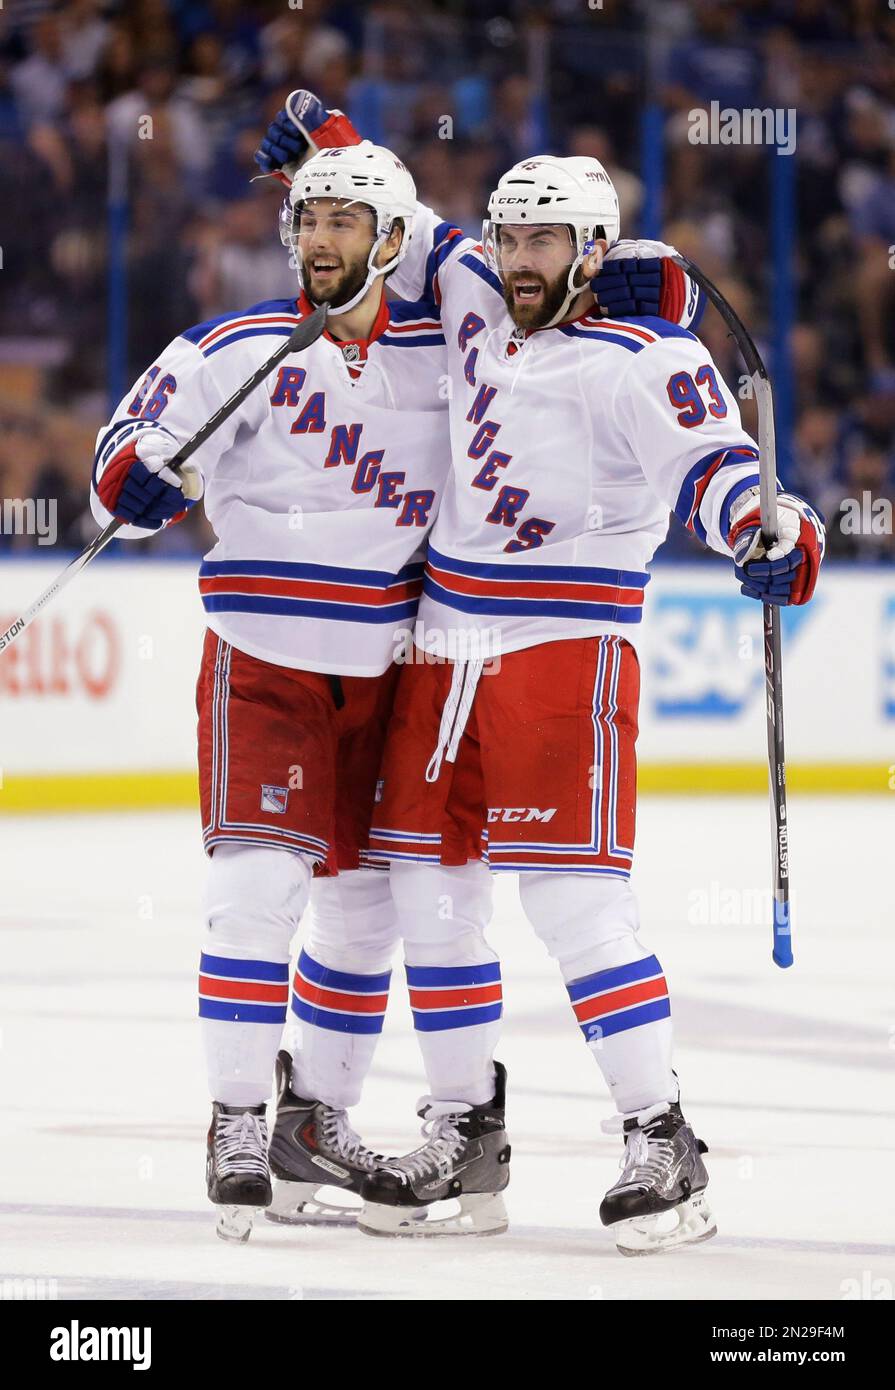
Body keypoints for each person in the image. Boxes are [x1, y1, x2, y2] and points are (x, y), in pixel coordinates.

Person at [256, 112, 825, 1252]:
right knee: (430, 897)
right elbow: (398, 222)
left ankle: (660, 1137)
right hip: (440, 648)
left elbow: (721, 474)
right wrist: (331, 139)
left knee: (571, 903)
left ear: (593, 249)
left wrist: (776, 532)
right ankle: (464, 1134)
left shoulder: (647, 362)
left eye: (546, 242)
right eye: (512, 239)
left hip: (566, 653)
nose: (519, 261)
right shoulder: (468, 280)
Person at [89, 127, 453, 1242]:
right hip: (265, 659)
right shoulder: (233, 344)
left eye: (348, 219)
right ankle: (237, 1118)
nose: (323, 238)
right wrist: (135, 476)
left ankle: (313, 1119)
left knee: (366, 909)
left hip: (387, 669)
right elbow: (128, 441)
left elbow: (521, 307)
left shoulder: (444, 356)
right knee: (258, 890)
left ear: (392, 237)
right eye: (311, 218)